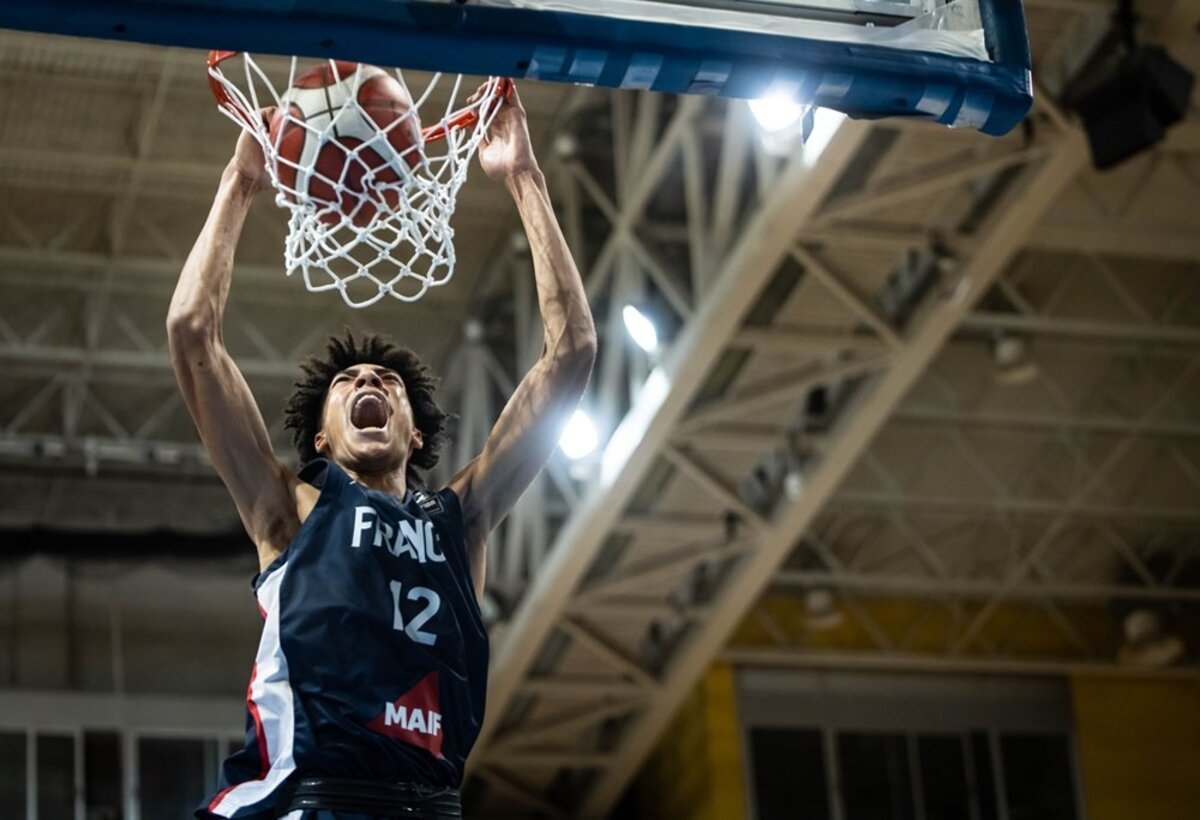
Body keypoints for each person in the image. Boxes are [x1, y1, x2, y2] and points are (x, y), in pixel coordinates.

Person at [167, 83, 596, 819]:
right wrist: (240, 182)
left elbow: (573, 352)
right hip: (311, 799)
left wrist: (523, 177)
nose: (370, 380)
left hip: (434, 805)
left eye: (388, 381)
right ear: (323, 437)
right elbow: (192, 334)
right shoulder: (290, 510)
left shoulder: (457, 521)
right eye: (351, 381)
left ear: (416, 432)